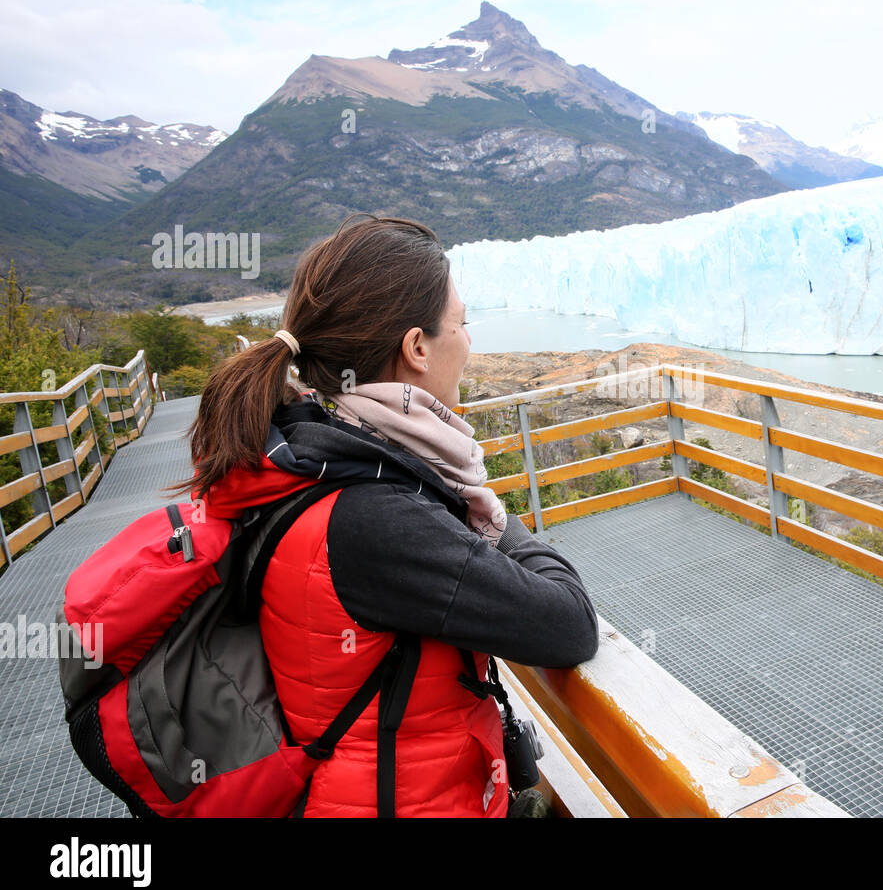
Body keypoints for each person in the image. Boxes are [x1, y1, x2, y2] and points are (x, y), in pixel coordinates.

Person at [171, 214, 599, 817]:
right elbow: (568, 624)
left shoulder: (311, 451)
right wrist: (489, 514)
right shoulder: (376, 517)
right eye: (463, 323)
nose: (470, 341)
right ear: (417, 348)